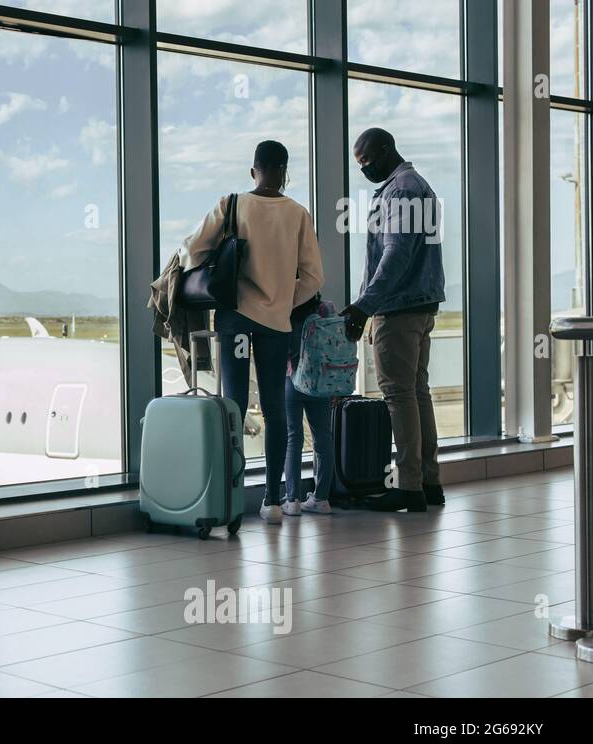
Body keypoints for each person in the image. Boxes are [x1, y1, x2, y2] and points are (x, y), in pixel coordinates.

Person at [179, 140, 323, 524]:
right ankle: (273, 501)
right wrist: (282, 302)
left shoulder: (232, 204)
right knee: (276, 409)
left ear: (253, 170)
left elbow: (192, 249)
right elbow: (313, 277)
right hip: (276, 325)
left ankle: (230, 496)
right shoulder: (298, 214)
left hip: (236, 320)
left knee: (234, 406)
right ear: (285, 171)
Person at [342, 128, 446, 513]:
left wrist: (364, 305)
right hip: (422, 304)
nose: (365, 169)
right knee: (418, 393)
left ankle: (408, 486)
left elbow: (396, 255)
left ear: (386, 150)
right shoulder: (420, 186)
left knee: (399, 396)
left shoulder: (400, 190)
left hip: (398, 309)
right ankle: (428, 481)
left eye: (367, 161)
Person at [282, 295, 335, 516]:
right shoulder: (326, 309)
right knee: (323, 436)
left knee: (293, 436)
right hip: (321, 381)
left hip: (293, 379)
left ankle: (292, 499)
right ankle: (321, 498)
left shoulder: (284, 310)